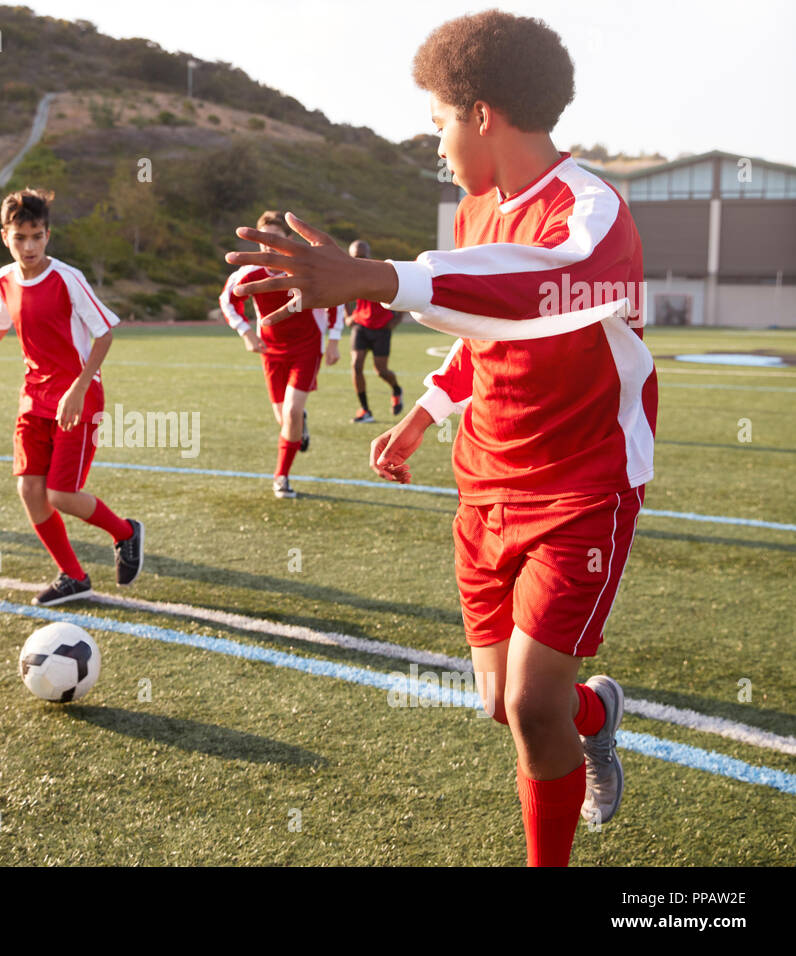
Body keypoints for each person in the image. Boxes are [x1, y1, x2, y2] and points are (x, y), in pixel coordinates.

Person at [224, 11, 657, 866]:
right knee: (505, 704)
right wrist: (424, 413)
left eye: (437, 122)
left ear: (482, 115)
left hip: (580, 485)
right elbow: (481, 330)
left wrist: (388, 276)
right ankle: (597, 716)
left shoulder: (592, 211)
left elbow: (548, 285)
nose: (436, 143)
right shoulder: (472, 214)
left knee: (533, 706)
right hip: (484, 482)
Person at [0, 188, 143, 607]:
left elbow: (105, 333)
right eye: (20, 237)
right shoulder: (2, 279)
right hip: (33, 396)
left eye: (36, 236)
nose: (29, 246)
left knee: (62, 495)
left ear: (47, 235)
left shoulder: (68, 278)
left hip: (78, 395)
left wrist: (79, 386)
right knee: (30, 491)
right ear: (5, 237)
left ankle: (125, 532)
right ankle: (73, 576)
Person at [220, 210, 344, 498]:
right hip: (271, 350)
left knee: (290, 412)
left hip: (307, 347)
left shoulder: (305, 269)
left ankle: (281, 477)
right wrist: (246, 332)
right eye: (263, 239)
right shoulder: (249, 273)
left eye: (275, 238)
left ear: (289, 240)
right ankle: (301, 423)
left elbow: (335, 299)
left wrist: (334, 340)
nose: (267, 244)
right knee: (284, 417)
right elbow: (227, 300)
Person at [346, 240, 402, 423]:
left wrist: (397, 319)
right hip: (361, 326)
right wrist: (348, 316)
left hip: (382, 328)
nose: (360, 260)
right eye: (356, 257)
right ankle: (365, 410)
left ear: (369, 255)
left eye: (363, 256)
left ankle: (396, 389)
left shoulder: (383, 271)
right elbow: (342, 294)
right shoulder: (349, 274)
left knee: (381, 371)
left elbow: (403, 292)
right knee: (356, 366)